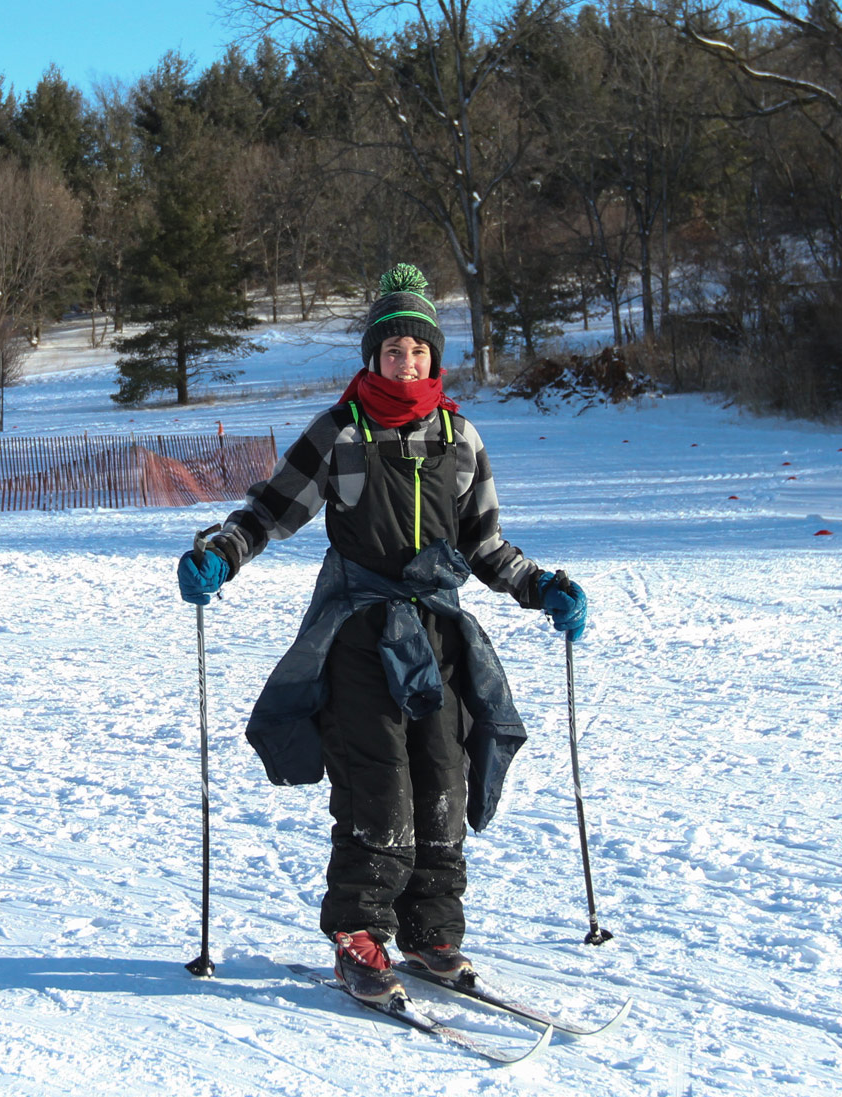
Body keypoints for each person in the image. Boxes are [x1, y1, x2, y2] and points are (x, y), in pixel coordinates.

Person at [177, 264, 588, 1006]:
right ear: (373, 358)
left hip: (436, 633)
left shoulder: (459, 438)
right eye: (393, 351)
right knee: (380, 784)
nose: (406, 364)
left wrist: (543, 588)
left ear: (435, 359)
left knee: (442, 778)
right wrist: (218, 554)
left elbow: (486, 546)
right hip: (360, 631)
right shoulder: (340, 432)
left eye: (419, 352)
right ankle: (360, 933)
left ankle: (431, 933)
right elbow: (270, 512)